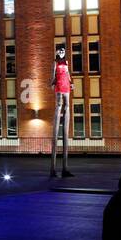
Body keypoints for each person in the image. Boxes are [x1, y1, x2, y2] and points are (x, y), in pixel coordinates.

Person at [49, 45, 73, 178]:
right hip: (59, 83)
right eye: (60, 50)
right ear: (57, 52)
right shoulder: (56, 62)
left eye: (64, 50)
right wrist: (52, 82)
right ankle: (53, 169)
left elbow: (68, 73)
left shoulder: (66, 62)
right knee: (59, 104)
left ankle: (65, 168)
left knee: (67, 104)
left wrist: (71, 82)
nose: (62, 52)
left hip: (66, 84)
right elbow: (53, 73)